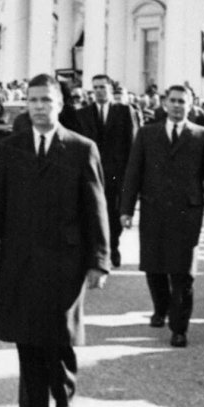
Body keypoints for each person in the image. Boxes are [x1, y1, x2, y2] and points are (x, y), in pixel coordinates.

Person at [0, 73, 109, 407]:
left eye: (46, 100)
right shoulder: (10, 147)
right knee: (26, 341)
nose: (38, 107)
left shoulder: (81, 148)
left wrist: (99, 260)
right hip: (20, 258)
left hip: (64, 262)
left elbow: (95, 208)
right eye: (33, 100)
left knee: (58, 340)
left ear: (60, 104)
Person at [120, 85, 204, 347]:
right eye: (173, 101)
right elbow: (133, 173)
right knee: (154, 267)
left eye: (182, 102)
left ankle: (179, 328)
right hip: (154, 211)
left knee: (183, 273)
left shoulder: (203, 136)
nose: (177, 106)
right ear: (165, 104)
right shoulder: (147, 134)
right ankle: (161, 308)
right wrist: (126, 210)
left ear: (191, 105)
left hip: (186, 214)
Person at [77, 74, 139, 268]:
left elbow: (133, 144)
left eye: (102, 87)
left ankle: (113, 246)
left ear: (111, 89)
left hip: (116, 174)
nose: (98, 91)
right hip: (92, 173)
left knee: (114, 214)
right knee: (92, 212)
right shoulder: (83, 114)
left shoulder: (125, 111)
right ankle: (97, 250)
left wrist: (130, 175)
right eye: (95, 88)